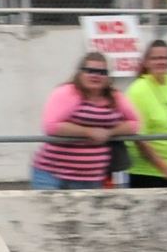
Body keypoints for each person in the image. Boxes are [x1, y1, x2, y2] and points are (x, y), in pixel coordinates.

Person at [34, 54, 141, 189]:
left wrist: (110, 132)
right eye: (90, 71)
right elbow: (51, 126)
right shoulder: (66, 92)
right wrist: (88, 132)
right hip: (53, 175)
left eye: (102, 72)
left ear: (108, 77)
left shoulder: (116, 97)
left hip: (91, 178)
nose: (95, 76)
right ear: (80, 73)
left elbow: (135, 123)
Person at [124, 39, 167, 186]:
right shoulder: (138, 90)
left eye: (165, 58)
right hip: (148, 172)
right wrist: (164, 168)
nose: (162, 62)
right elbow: (139, 138)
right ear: (146, 62)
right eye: (156, 58)